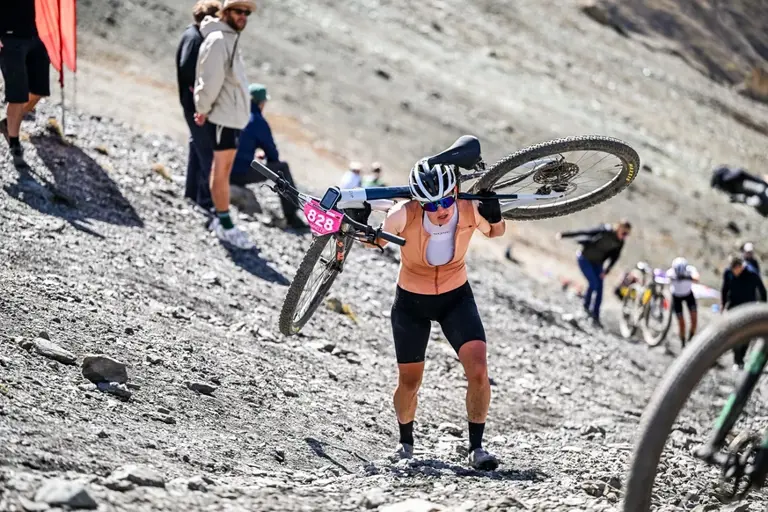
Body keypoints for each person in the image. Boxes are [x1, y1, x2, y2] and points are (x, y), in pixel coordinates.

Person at [373, 158, 506, 470]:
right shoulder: (401, 214)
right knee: (409, 381)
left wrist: (495, 214)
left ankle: (477, 448)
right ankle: (405, 444)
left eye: (447, 199)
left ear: (456, 191)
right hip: (411, 304)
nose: (441, 209)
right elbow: (376, 241)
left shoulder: (469, 209)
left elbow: (496, 233)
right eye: (431, 204)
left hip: (456, 298)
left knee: (478, 371)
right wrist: (364, 230)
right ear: (419, 202)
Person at [194, 0, 255, 249]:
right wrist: (202, 109)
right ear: (225, 12)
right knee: (220, 171)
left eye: (246, 13)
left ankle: (222, 217)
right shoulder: (219, 39)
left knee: (223, 170)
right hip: (222, 119)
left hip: (231, 119)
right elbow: (209, 80)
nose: (243, 17)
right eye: (239, 11)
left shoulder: (230, 38)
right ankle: (223, 223)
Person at [231, 83, 305, 229]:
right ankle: (291, 216)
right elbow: (273, 155)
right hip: (239, 174)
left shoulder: (235, 114)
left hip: (222, 169)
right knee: (282, 168)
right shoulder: (258, 121)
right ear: (261, 103)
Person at [176, 0, 221, 211]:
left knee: (197, 146)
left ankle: (192, 194)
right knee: (208, 152)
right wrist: (199, 92)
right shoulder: (194, 38)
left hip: (194, 104)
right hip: (194, 105)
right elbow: (187, 68)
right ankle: (206, 201)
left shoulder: (194, 36)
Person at [0, 0, 52, 166]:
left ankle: (8, 124)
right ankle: (15, 144)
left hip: (32, 36)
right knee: (17, 96)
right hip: (8, 39)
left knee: (39, 89)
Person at [556, 220, 632, 327]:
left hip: (598, 264)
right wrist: (565, 235)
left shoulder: (620, 242)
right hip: (584, 259)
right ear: (619, 228)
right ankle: (586, 308)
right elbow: (585, 232)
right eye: (624, 233)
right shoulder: (604, 231)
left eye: (627, 234)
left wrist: (607, 271)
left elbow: (615, 257)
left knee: (599, 288)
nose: (624, 236)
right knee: (593, 283)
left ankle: (595, 316)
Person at [721, 256, 767, 369]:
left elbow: (762, 290)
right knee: (734, 333)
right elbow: (724, 289)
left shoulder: (752, 274)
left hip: (748, 307)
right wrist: (723, 304)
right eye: (732, 269)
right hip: (733, 306)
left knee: (746, 334)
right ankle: (737, 360)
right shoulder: (728, 273)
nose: (734, 272)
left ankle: (741, 357)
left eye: (735, 269)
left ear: (741, 267)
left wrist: (763, 306)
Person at [665, 257, 700, 346]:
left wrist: (687, 277)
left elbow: (697, 279)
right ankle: (683, 343)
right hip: (676, 297)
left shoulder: (690, 270)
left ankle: (690, 338)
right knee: (681, 322)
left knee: (694, 319)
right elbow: (665, 278)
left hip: (688, 295)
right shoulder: (670, 272)